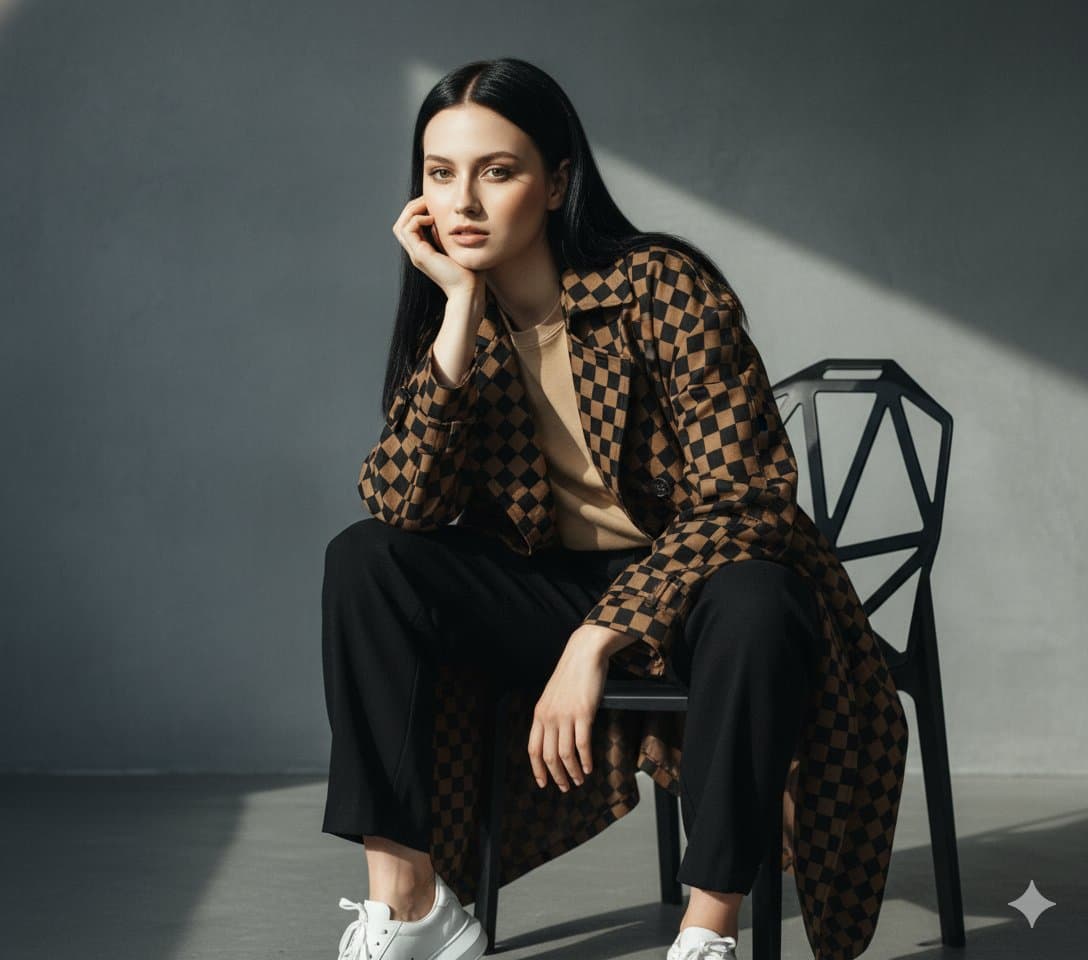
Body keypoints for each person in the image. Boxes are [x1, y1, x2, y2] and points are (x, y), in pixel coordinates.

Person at [322, 57, 906, 960]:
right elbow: (402, 503)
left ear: (557, 183)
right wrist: (460, 308)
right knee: (365, 559)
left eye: (498, 170)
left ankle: (707, 931)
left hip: (702, 582)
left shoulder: (658, 286)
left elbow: (749, 494)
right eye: (441, 174)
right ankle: (411, 906)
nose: (463, 200)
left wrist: (598, 636)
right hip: (553, 584)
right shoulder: (454, 322)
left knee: (760, 599)